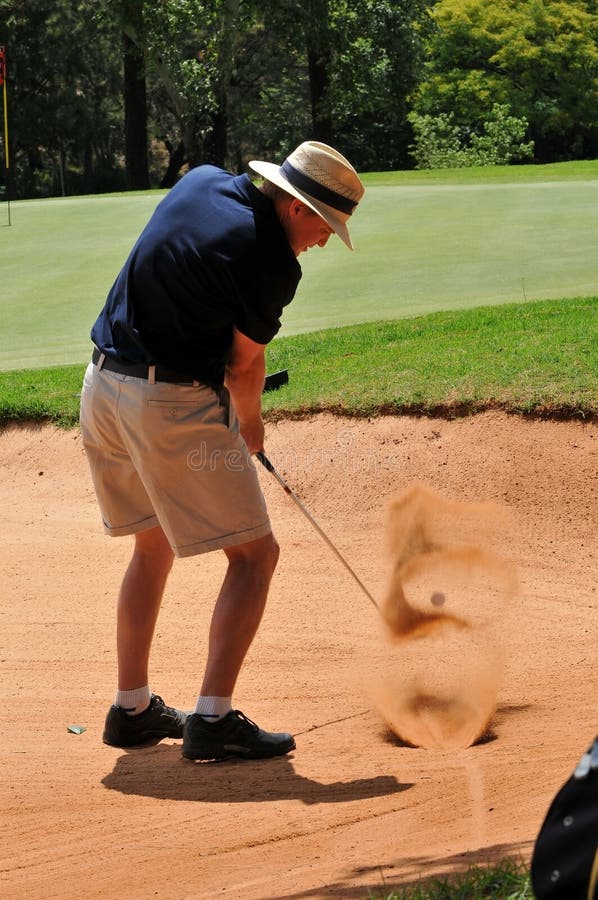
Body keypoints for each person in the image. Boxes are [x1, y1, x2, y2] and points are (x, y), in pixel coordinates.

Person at [79, 140, 365, 761]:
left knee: (152, 543)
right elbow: (244, 366)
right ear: (296, 207)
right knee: (255, 556)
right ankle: (212, 718)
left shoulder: (202, 180)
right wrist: (251, 429)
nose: (323, 241)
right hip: (166, 408)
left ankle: (131, 709)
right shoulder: (270, 261)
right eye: (325, 225)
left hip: (102, 387)